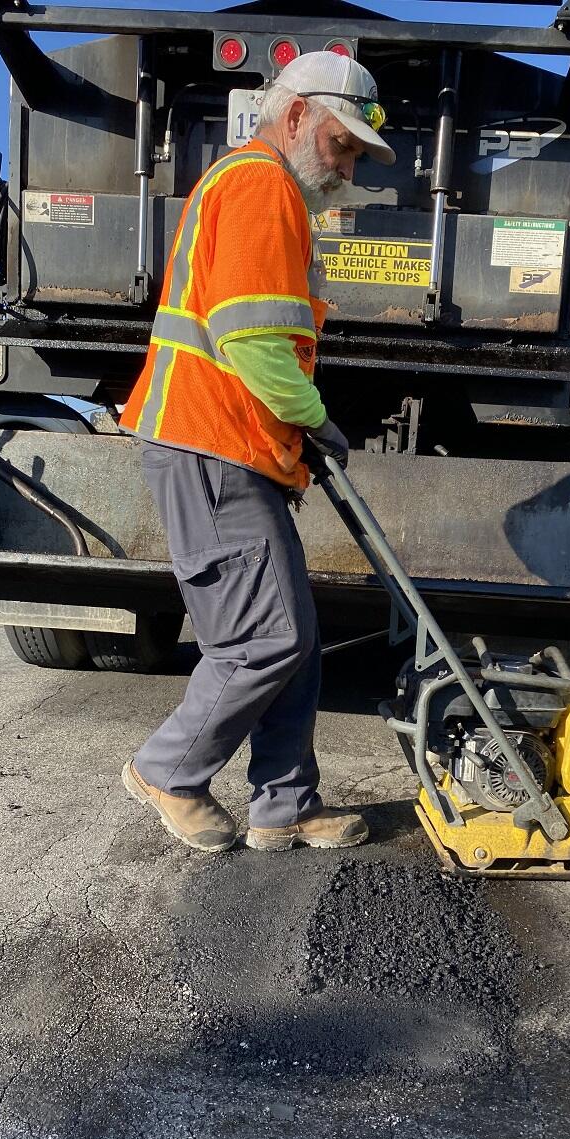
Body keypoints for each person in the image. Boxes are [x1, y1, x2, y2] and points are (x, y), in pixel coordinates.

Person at [119, 52, 395, 852]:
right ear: (298, 114)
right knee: (264, 638)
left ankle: (286, 805)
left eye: (354, 155)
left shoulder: (265, 189)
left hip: (233, 444)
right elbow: (252, 339)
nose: (344, 166)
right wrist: (316, 418)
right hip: (212, 443)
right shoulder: (257, 183)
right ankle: (168, 767)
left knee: (294, 634)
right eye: (341, 145)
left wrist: (297, 435)